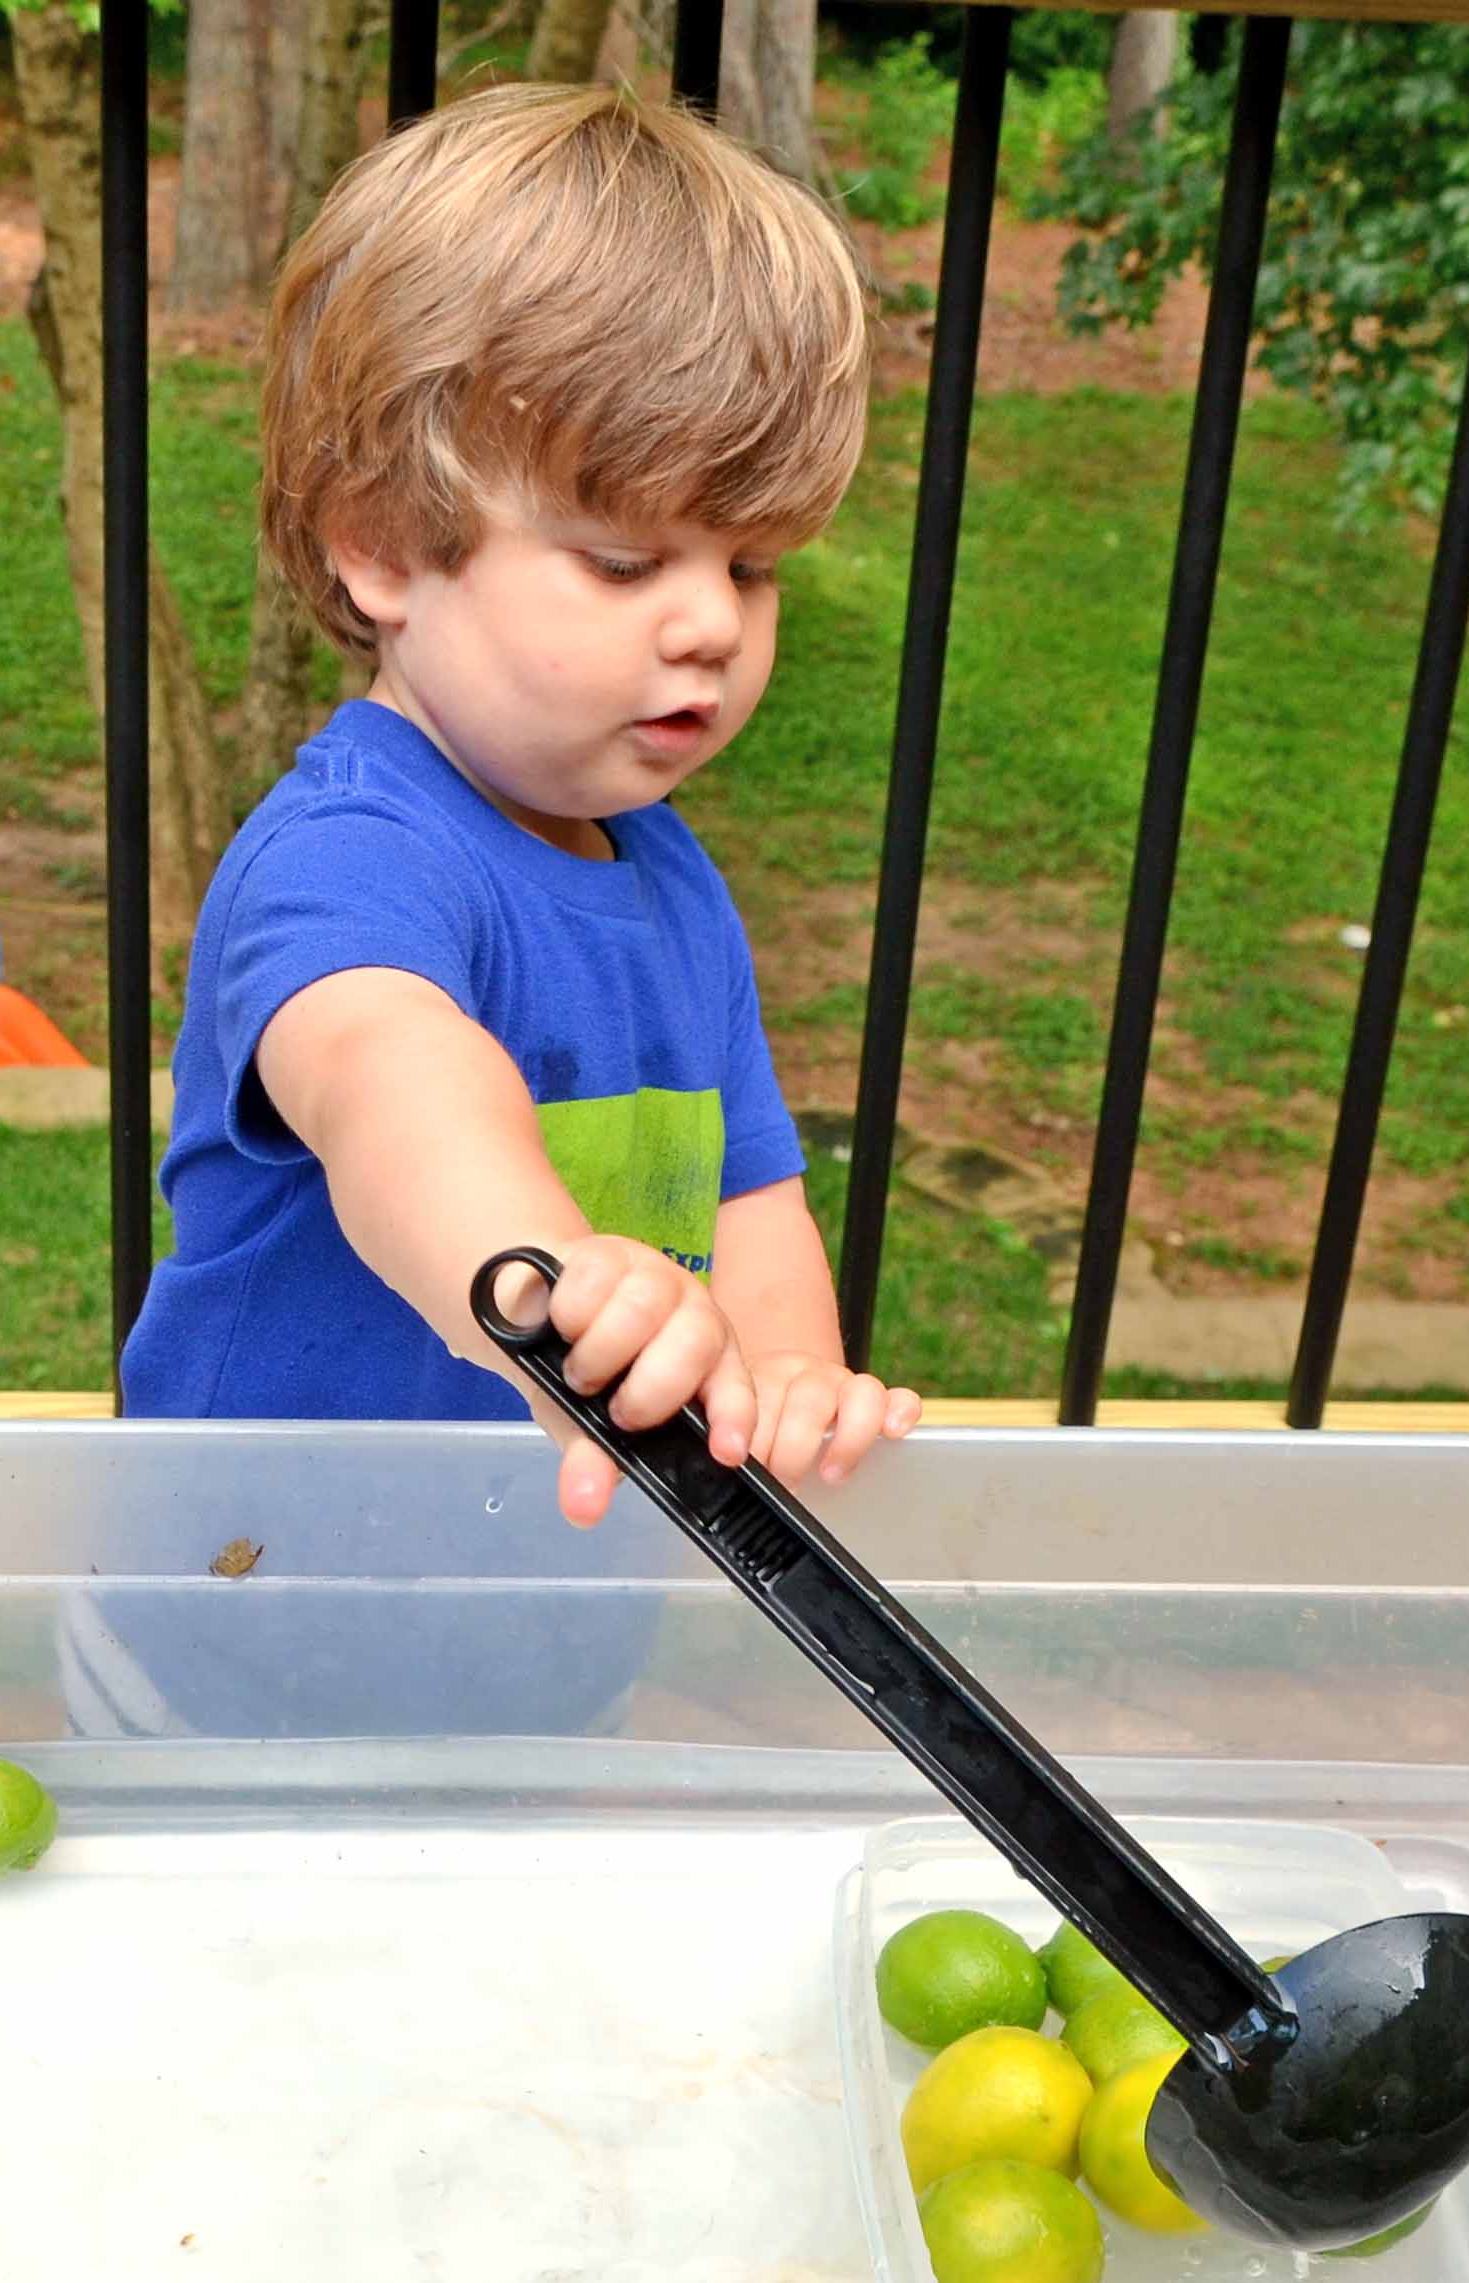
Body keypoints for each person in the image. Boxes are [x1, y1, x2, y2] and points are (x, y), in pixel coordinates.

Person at [120, 80, 921, 1537]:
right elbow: (392, 1086)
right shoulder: (348, 858)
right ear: (382, 546)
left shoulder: (675, 889)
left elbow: (750, 1204)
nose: (711, 625)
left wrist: (789, 1378)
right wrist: (557, 1296)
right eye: (623, 562)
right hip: (253, 1618)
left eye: (749, 566)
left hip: (549, 1615)